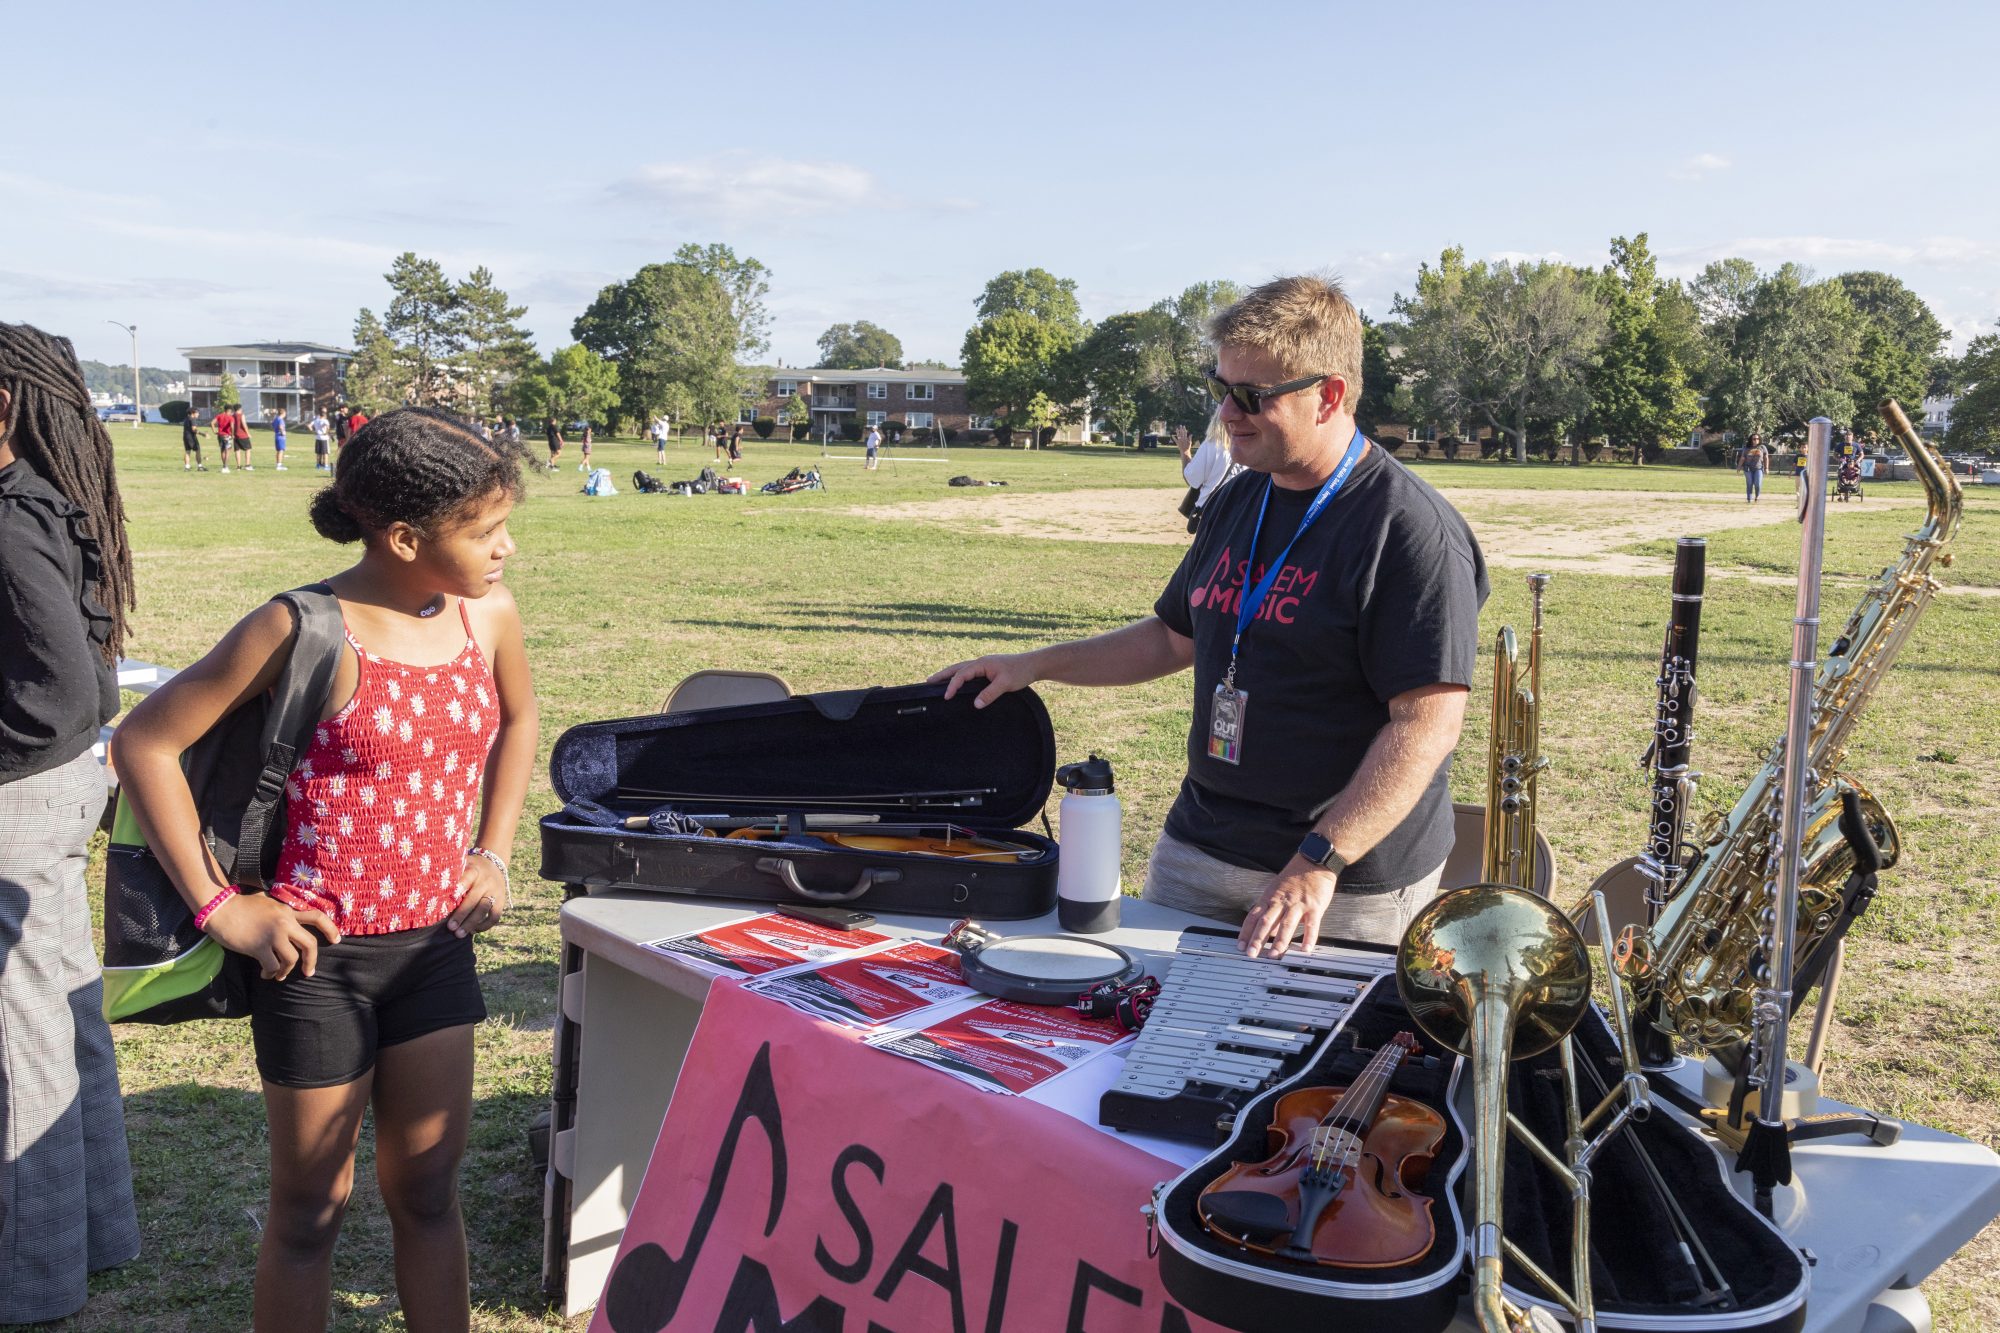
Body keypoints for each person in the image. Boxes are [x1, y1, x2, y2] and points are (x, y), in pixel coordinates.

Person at [113, 407, 538, 1333]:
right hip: (318, 965)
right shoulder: (301, 626)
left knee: (428, 1191)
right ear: (402, 536)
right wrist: (226, 907)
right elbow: (144, 744)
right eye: (485, 530)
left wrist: (495, 851)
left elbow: (517, 721)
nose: (507, 548)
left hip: (436, 950)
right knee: (311, 1212)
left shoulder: (487, 613)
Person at [933, 275, 1488, 955]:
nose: (1228, 412)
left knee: (1311, 1062)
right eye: (1220, 386)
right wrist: (1033, 665)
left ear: (1330, 395)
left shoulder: (1409, 532)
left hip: (1344, 884)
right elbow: (1172, 637)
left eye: (1252, 396)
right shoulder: (1237, 499)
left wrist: (1318, 862)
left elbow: (1426, 727)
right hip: (1200, 851)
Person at [0, 321, 143, 1322]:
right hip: (55, 784)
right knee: (62, 1006)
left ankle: (30, 1277)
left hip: (20, 792)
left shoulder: (10, 518)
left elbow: (57, 688)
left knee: (20, 1033)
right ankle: (94, 1235)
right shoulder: (38, 502)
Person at [1177, 410, 1244, 531]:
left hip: (1213, 512)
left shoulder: (1212, 445)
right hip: (1240, 514)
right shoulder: (1248, 447)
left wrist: (1185, 451)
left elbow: (1192, 479)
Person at [1741, 431, 1768, 503]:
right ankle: (1749, 498)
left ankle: (1757, 496)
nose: (1756, 440)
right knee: (1749, 483)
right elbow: (1743, 458)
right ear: (1751, 440)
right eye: (1754, 439)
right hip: (1748, 468)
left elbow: (1766, 458)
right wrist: (1738, 467)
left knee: (1758, 483)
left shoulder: (1762, 447)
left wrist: (1766, 468)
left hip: (1758, 468)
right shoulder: (1747, 448)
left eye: (1757, 439)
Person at [183, 406, 208, 471]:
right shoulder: (192, 419)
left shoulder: (186, 419)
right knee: (198, 450)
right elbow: (194, 429)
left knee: (187, 451)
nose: (198, 414)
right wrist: (203, 434)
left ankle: (187, 467)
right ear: (193, 413)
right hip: (191, 437)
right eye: (197, 412)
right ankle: (200, 467)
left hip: (185, 437)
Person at [215, 401, 237, 472]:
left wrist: (214, 431)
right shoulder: (230, 417)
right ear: (229, 410)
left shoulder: (219, 416)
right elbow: (232, 427)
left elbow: (212, 423)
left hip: (220, 435)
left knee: (222, 450)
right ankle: (225, 467)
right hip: (227, 435)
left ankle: (223, 466)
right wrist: (232, 434)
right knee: (228, 450)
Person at [310, 408, 332, 472]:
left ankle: (318, 465)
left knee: (318, 452)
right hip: (324, 438)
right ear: (324, 415)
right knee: (325, 452)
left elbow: (309, 425)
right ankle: (326, 466)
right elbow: (328, 427)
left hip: (317, 437)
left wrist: (313, 431)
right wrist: (326, 432)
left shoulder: (316, 420)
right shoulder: (325, 420)